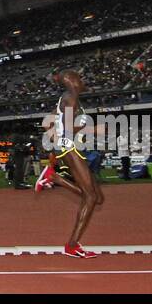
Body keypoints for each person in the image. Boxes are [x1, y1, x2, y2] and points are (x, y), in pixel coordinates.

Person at [34, 70, 103, 258]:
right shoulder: (70, 97)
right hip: (69, 147)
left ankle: (54, 177)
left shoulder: (68, 98)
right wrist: (95, 129)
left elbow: (47, 123)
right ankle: (72, 245)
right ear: (71, 81)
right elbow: (70, 127)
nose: (82, 81)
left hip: (68, 147)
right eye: (79, 79)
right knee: (90, 198)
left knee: (96, 198)